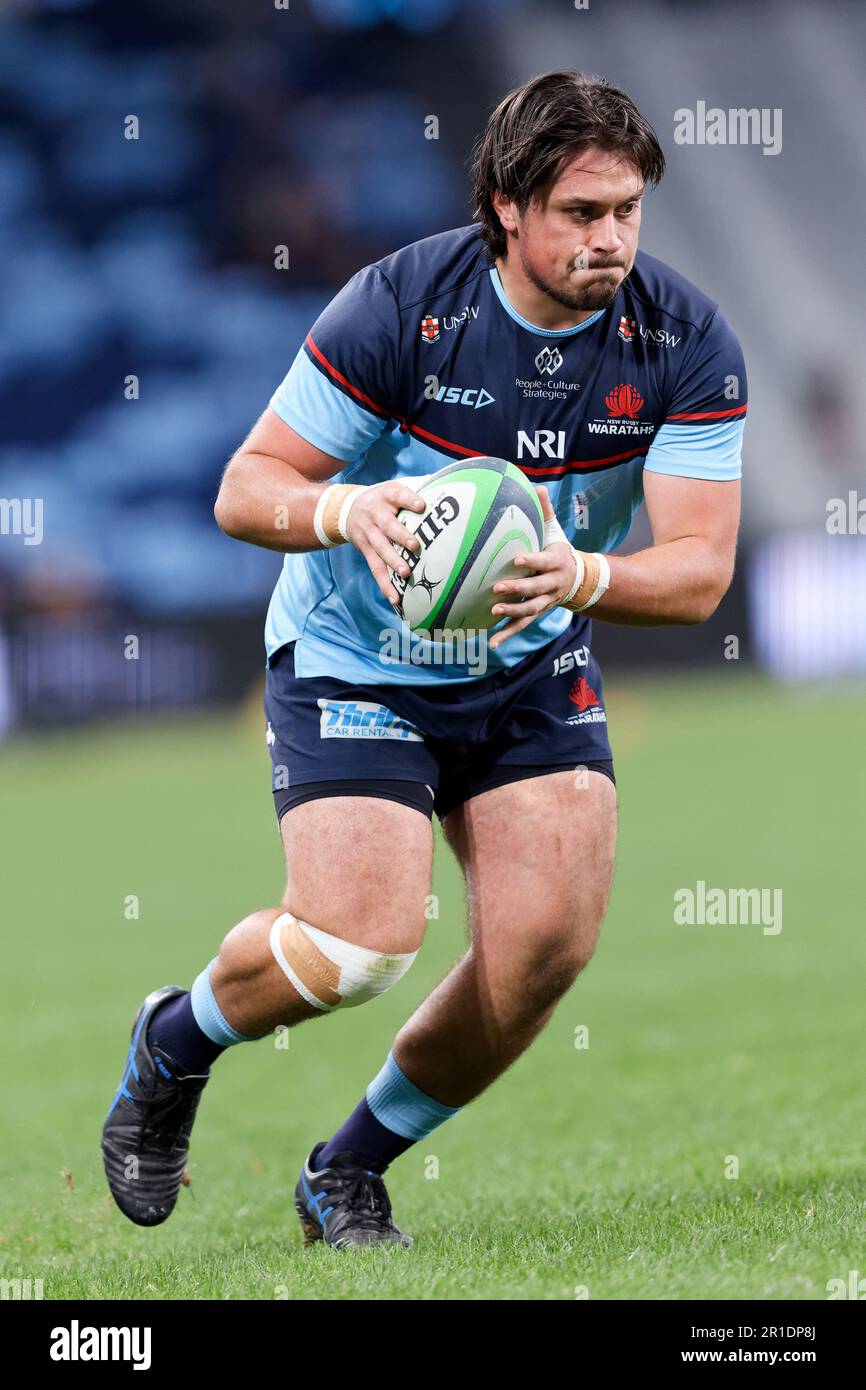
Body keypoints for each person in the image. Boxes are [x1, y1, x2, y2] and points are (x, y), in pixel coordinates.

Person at [103, 70, 746, 1248]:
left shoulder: (681, 339)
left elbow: (699, 572)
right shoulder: (400, 305)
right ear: (505, 203)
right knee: (355, 950)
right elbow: (246, 488)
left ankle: (347, 1169)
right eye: (580, 213)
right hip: (359, 658)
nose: (610, 240)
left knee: (539, 955)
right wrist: (348, 509)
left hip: (530, 662)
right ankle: (175, 1039)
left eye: (626, 211)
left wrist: (581, 578)